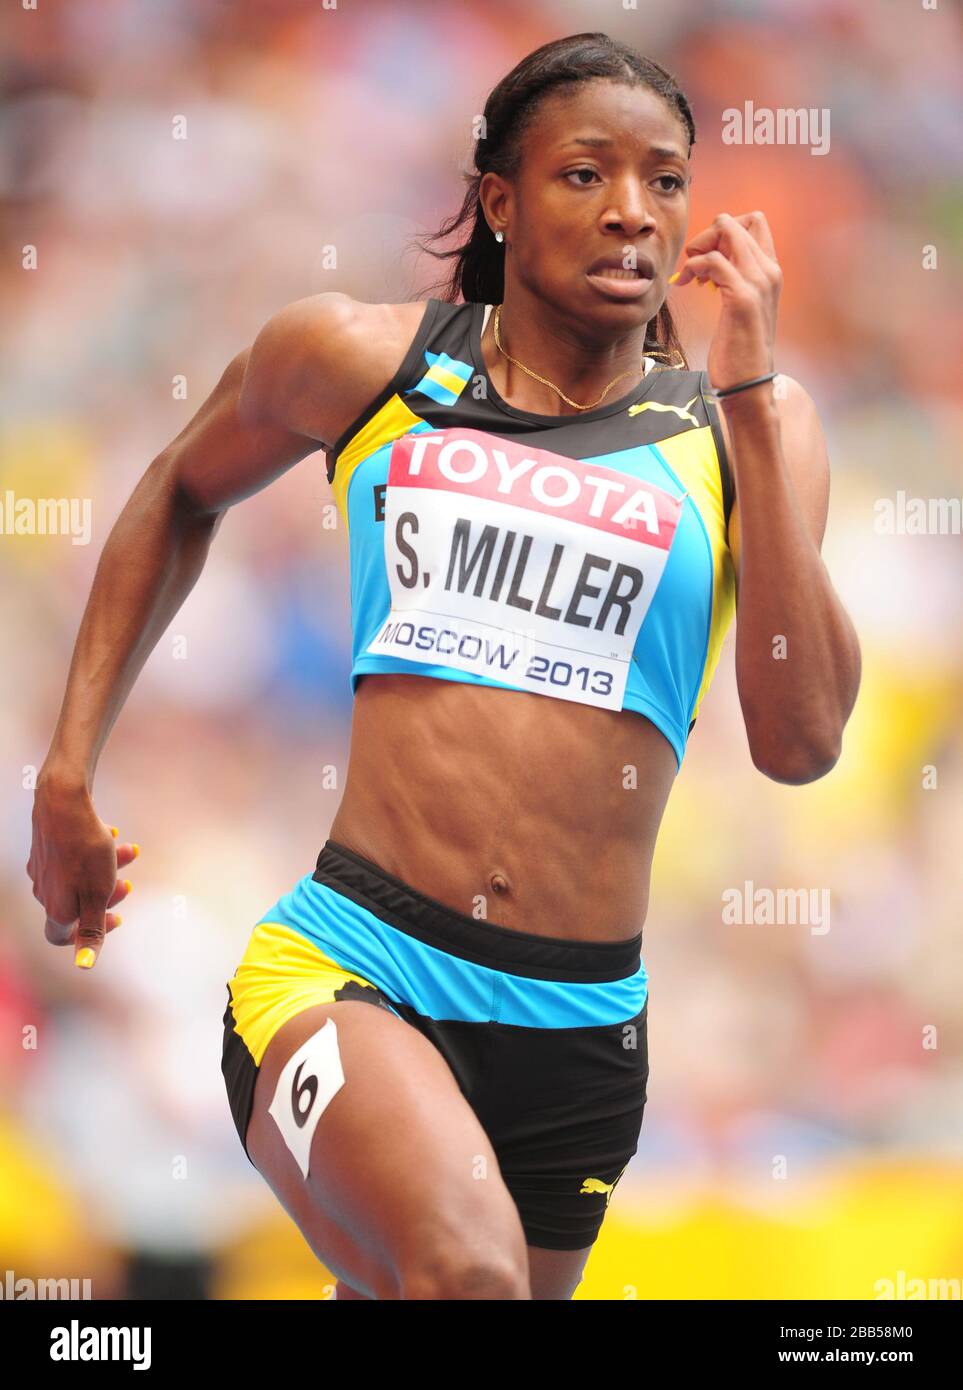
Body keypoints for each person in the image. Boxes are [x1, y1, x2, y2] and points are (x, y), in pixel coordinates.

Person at [27, 32, 861, 1300]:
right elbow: (173, 492)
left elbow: (801, 744)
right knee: (464, 1274)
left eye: (667, 179)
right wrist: (68, 770)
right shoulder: (365, 361)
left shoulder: (745, 428)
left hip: (579, 1033)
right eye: (587, 174)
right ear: (500, 200)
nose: (635, 210)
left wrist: (747, 393)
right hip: (354, 965)